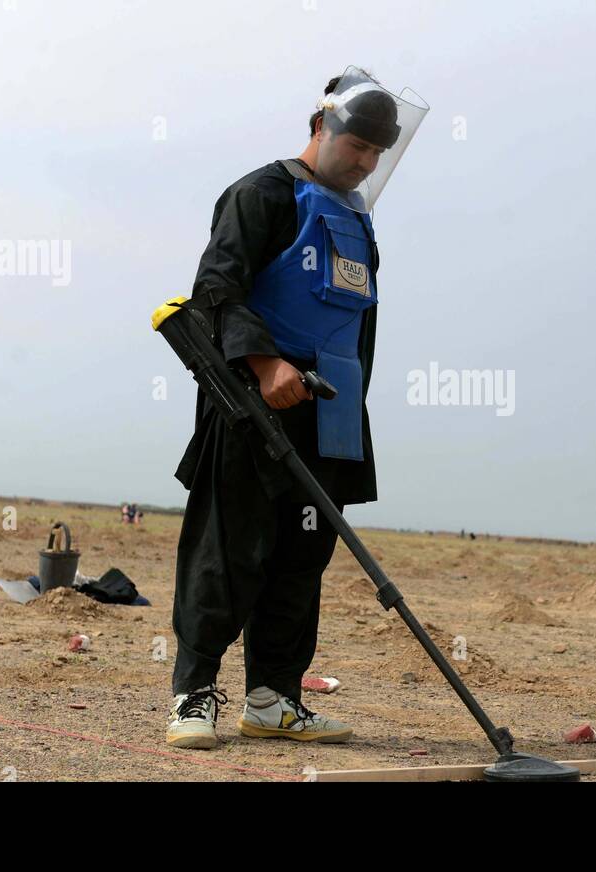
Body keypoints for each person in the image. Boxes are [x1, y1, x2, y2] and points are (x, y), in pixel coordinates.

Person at [165, 67, 427, 749]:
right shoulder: (262, 194)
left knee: (299, 560)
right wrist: (264, 363)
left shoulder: (357, 222)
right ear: (320, 127)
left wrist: (351, 411)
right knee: (229, 552)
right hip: (256, 407)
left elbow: (356, 330)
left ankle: (273, 699)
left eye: (376, 152)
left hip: (330, 417)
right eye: (356, 146)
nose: (364, 161)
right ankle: (194, 695)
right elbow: (216, 289)